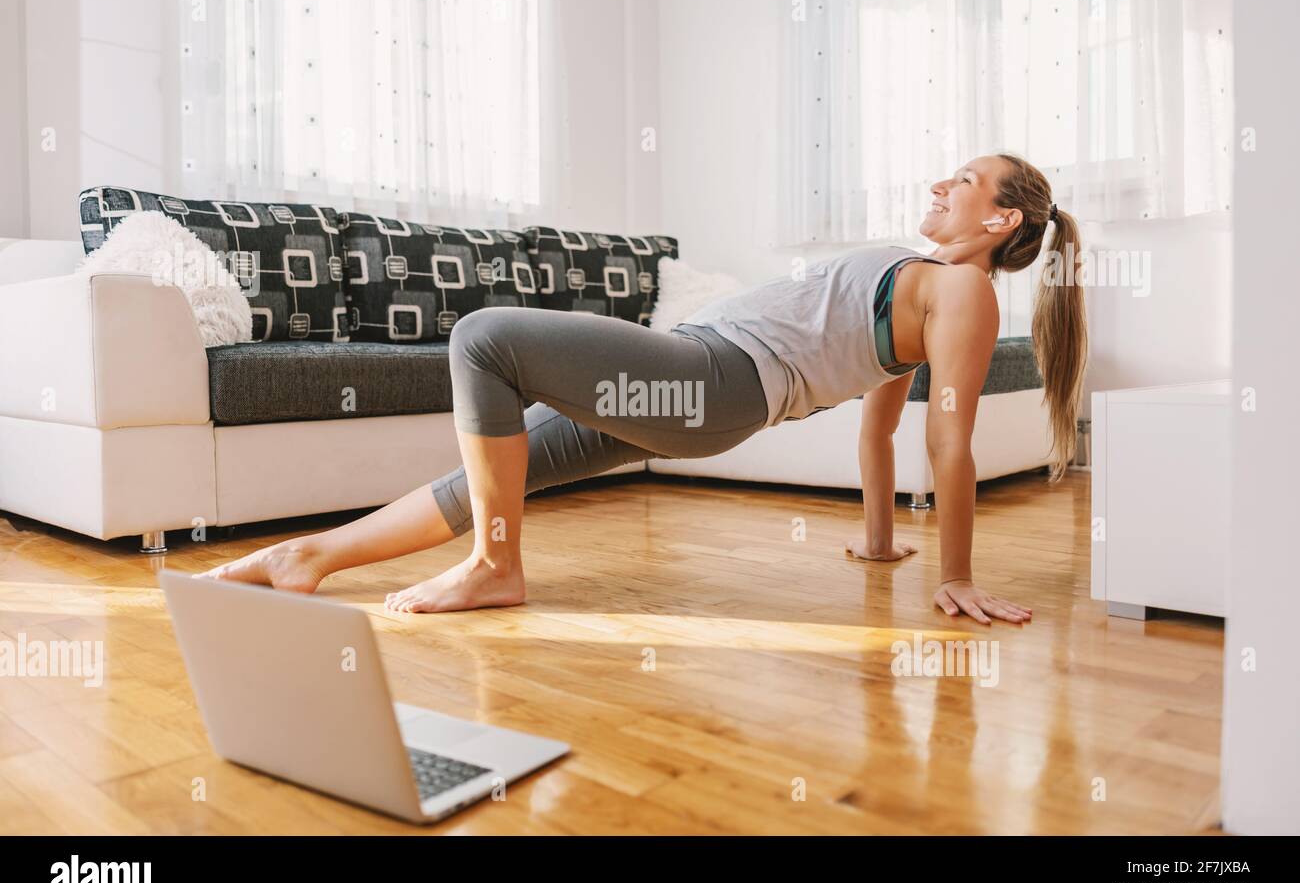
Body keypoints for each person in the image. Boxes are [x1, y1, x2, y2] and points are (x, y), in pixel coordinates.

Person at [201, 153, 1087, 626]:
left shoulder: (962, 290)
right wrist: (880, 546)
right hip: (693, 391)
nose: (941, 182)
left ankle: (495, 567)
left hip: (711, 381)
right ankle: (307, 557)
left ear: (1000, 219)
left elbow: (946, 441)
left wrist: (958, 575)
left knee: (482, 337)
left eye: (964, 180)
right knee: (509, 468)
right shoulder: (928, 280)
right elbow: (878, 430)